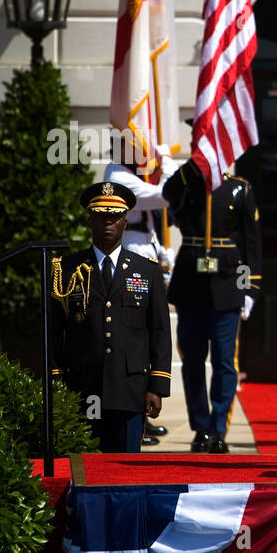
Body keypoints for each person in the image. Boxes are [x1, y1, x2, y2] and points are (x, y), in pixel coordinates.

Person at [48, 182, 171, 453]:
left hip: (129, 388)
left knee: (124, 470)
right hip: (81, 387)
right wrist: (55, 379)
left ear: (126, 221)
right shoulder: (67, 270)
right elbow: (54, 331)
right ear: (89, 220)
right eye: (101, 215)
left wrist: (157, 386)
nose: (108, 222)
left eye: (114, 216)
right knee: (84, 467)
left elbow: (160, 331)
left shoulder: (146, 271)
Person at [163, 155, 262, 454]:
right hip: (191, 283)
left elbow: (252, 242)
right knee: (192, 360)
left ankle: (219, 428)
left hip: (227, 284)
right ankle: (201, 427)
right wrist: (191, 168)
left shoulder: (239, 189)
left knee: (223, 361)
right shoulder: (187, 183)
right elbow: (168, 193)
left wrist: (250, 288)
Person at [104, 134, 182, 445]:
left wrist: (161, 249)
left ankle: (143, 418)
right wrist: (168, 163)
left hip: (143, 248)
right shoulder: (119, 177)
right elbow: (167, 195)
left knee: (146, 336)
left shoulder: (130, 174)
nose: (143, 155)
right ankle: (136, 419)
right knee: (132, 338)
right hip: (130, 253)